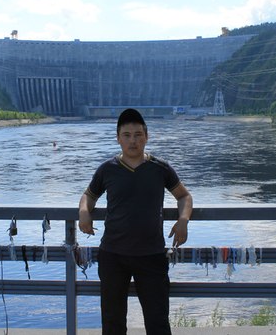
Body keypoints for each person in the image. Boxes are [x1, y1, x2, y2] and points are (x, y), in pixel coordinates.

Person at [78, 108, 193, 335]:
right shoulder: (107, 169)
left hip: (151, 255)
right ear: (118, 138)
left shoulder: (160, 168)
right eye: (127, 135)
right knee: (112, 324)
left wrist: (183, 220)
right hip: (113, 255)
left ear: (146, 137)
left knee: (158, 323)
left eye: (138, 135)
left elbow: (184, 196)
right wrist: (83, 212)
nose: (133, 141)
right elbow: (89, 196)